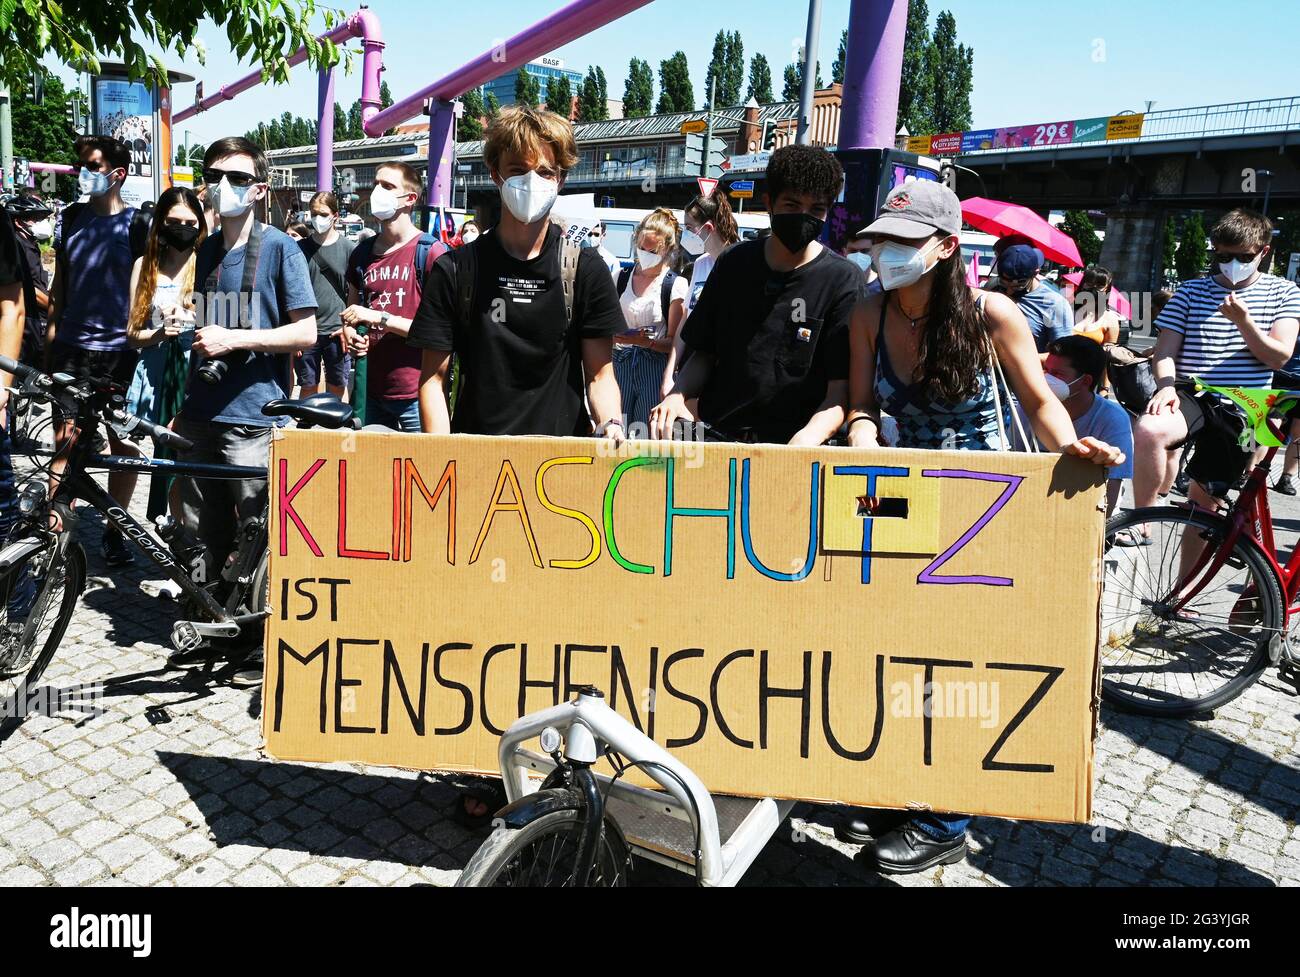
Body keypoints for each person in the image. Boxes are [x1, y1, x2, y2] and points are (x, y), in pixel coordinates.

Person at [840, 180, 1123, 873]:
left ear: (944, 248)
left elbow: (1038, 402)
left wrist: (1073, 448)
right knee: (894, 648)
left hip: (982, 507)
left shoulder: (993, 314)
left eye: (905, 242)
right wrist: (863, 439)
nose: (888, 253)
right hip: (899, 503)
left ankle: (946, 815)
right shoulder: (868, 314)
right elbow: (858, 407)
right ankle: (898, 783)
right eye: (883, 240)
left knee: (960, 659)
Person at [179, 136, 316, 676]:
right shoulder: (206, 248)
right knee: (202, 526)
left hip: (254, 415)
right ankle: (215, 620)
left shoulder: (280, 246)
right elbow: (205, 322)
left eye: (236, 178)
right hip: (202, 411)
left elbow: (307, 331)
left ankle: (263, 631)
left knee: (257, 529)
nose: (222, 187)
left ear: (260, 189)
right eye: (213, 175)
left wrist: (236, 341)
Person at [409, 104, 624, 442]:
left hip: (560, 464)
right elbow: (433, 380)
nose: (531, 182)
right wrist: (440, 456)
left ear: (561, 179)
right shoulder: (455, 269)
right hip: (476, 460)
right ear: (496, 174)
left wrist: (611, 423)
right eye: (518, 169)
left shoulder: (585, 269)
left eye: (545, 172)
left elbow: (599, 376)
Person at [649, 143, 858, 447]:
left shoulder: (842, 280)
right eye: (792, 205)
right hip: (718, 440)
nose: (803, 217)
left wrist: (806, 440)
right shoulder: (734, 263)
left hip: (795, 452)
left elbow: (839, 390)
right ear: (769, 203)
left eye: (816, 209)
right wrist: (678, 395)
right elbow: (705, 351)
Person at [1133, 209, 1300, 520]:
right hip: (1192, 393)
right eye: (1222, 256)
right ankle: (1141, 518)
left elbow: (1278, 357)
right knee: (1148, 430)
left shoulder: (1284, 291)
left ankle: (1189, 570)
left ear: (1263, 252)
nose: (1231, 264)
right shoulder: (1190, 291)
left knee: (1204, 507)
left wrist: (1245, 323)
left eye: (1242, 256)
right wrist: (1166, 386)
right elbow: (1165, 351)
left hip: (1244, 403)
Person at [48, 135, 150, 567]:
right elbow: (59, 288)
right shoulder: (70, 219)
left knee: (121, 444)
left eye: (92, 165)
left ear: (116, 174)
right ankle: (52, 533)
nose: (82, 173)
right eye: (81, 164)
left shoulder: (137, 226)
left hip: (118, 354)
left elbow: (149, 290)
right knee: (64, 442)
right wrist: (51, 341)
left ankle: (115, 529)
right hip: (70, 347)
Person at [341, 163, 446, 431]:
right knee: (371, 470)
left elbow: (440, 332)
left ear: (410, 199)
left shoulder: (431, 253)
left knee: (423, 468)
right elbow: (350, 314)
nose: (377, 191)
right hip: (370, 390)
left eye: (387, 186)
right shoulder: (361, 253)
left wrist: (380, 317)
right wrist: (350, 334)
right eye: (376, 184)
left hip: (418, 392)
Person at [125, 186, 206, 520]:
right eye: (175, 221)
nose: (183, 228)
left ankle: (192, 530)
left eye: (190, 222)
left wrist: (189, 318)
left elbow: (228, 320)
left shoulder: (206, 264)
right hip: (155, 374)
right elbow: (132, 335)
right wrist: (158, 332)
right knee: (158, 454)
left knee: (192, 457)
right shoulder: (145, 266)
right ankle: (165, 527)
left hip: (194, 373)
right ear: (160, 222)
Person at [1018, 336, 1134, 519]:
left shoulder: (1113, 419)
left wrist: (1097, 531)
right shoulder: (1026, 408)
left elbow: (1113, 484)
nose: (1046, 378)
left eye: (1057, 374)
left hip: (1084, 510)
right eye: (1045, 370)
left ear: (1085, 381)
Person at [613, 208, 688, 432]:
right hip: (620, 364)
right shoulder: (620, 277)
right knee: (616, 430)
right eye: (641, 247)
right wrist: (621, 337)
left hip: (654, 369)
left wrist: (647, 342)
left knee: (645, 434)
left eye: (652, 250)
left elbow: (675, 343)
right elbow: (606, 326)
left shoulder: (674, 285)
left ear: (667, 249)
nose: (645, 253)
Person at [662, 190, 741, 397]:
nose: (684, 235)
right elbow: (685, 321)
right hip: (693, 371)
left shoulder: (743, 262)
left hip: (729, 373)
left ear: (708, 228)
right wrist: (669, 373)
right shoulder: (700, 264)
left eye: (688, 228)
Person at [295, 191, 351, 399]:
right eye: (313, 213)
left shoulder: (348, 249)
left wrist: (349, 327)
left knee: (337, 386)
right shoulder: (298, 249)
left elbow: (355, 293)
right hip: (306, 330)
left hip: (337, 331)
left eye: (323, 214)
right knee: (308, 386)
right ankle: (306, 429)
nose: (317, 219)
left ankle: (335, 428)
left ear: (335, 215)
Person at [991, 243, 1074, 354]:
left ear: (1035, 273)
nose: (1009, 291)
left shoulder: (1054, 303)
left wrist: (1021, 361)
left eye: (1018, 286)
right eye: (1004, 284)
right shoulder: (991, 289)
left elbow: (1063, 354)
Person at [3, 195, 53, 367]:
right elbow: (27, 290)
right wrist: (54, 306)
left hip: (34, 322)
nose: (42, 223)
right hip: (26, 324)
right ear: (18, 222)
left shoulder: (30, 245)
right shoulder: (18, 247)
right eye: (37, 218)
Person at [1073, 265, 1123, 345]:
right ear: (1083, 284)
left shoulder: (1110, 319)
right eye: (1089, 284)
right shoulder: (1067, 311)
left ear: (1106, 289)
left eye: (1099, 286)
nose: (1093, 288)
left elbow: (1109, 352)